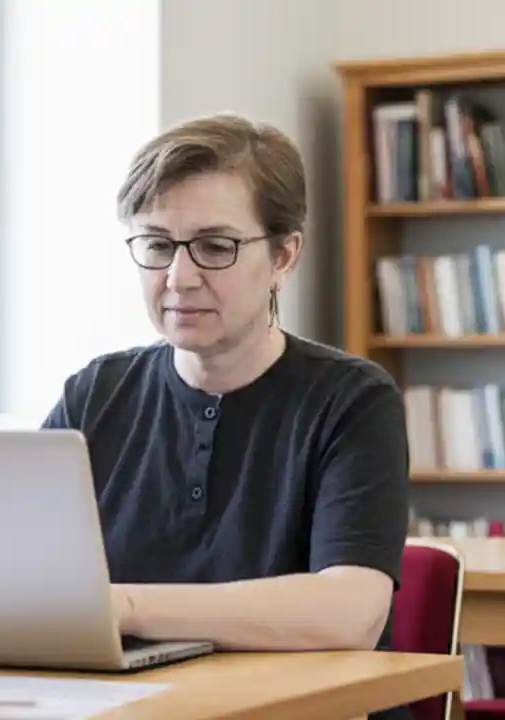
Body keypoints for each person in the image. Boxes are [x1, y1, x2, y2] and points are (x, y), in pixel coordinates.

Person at [42, 114, 409, 660]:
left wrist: (124, 608)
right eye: (158, 245)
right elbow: (18, 575)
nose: (179, 277)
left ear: (284, 256)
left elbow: (349, 610)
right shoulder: (95, 394)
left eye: (215, 247)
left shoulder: (352, 402)